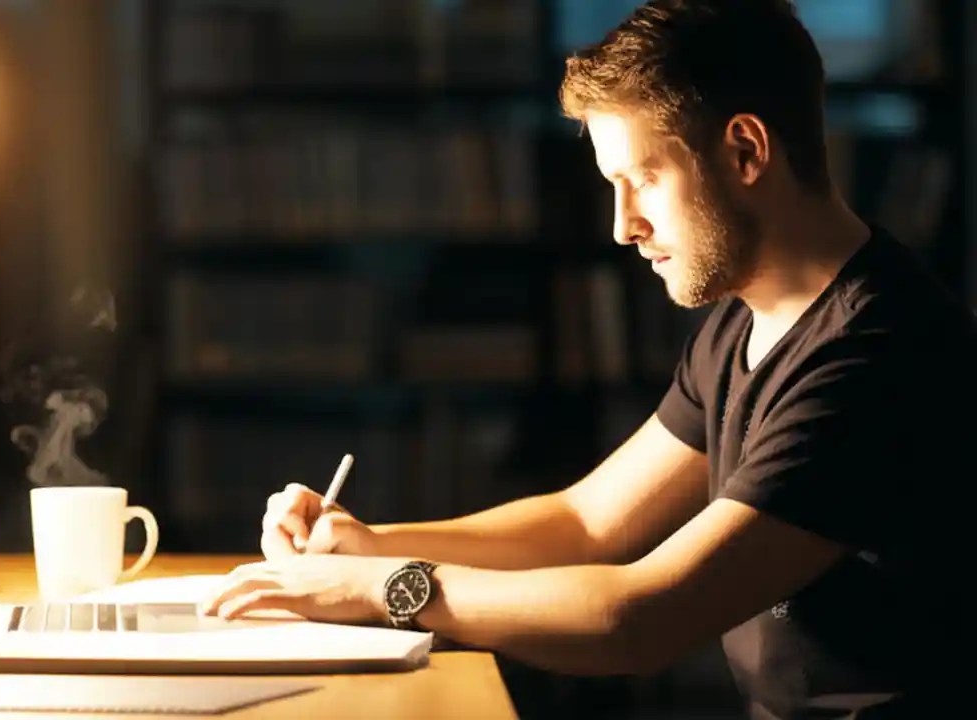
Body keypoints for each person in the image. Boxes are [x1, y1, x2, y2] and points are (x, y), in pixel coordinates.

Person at [200, 1, 976, 716]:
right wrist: (371, 546)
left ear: (745, 150)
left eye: (642, 178)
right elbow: (587, 521)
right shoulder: (747, 321)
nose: (622, 226)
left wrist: (387, 590)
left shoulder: (876, 354)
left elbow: (639, 618)